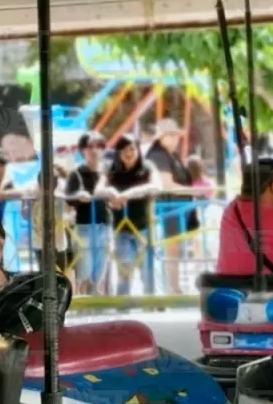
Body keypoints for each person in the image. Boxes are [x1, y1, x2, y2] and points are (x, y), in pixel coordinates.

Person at [145, 119, 202, 294]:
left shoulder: (171, 155)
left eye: (176, 135)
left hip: (178, 207)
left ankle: (174, 286)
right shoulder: (158, 155)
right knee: (172, 248)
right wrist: (196, 190)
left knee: (175, 248)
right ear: (161, 137)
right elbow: (167, 184)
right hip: (168, 206)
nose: (176, 138)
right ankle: (172, 287)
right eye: (171, 135)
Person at [104, 136, 163, 295]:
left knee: (148, 270)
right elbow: (100, 189)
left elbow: (157, 186)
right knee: (124, 270)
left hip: (144, 227)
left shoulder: (147, 167)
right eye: (124, 150)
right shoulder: (113, 170)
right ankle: (123, 308)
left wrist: (129, 194)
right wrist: (110, 194)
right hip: (121, 228)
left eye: (132, 149)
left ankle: (153, 305)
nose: (128, 153)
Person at [65, 132, 113, 294]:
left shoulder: (107, 171)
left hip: (104, 224)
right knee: (85, 267)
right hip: (84, 225)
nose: (95, 150)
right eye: (90, 147)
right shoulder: (77, 173)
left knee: (101, 269)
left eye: (99, 146)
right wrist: (78, 196)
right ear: (83, 150)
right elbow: (68, 198)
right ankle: (85, 304)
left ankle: (98, 302)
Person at [30, 166, 73, 279]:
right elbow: (26, 214)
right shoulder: (34, 198)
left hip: (57, 242)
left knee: (59, 273)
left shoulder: (60, 199)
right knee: (47, 275)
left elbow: (70, 211)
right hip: (42, 242)